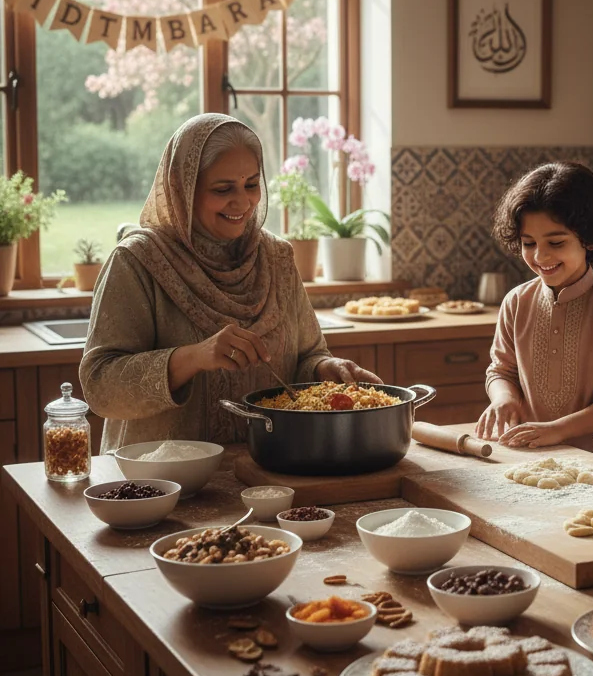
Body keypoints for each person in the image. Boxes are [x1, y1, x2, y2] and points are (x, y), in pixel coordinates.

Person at [82, 113, 380, 451]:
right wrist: (193, 357)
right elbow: (100, 387)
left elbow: (307, 356)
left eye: (251, 184)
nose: (242, 202)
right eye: (223, 189)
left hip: (272, 472)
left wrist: (327, 369)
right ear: (182, 189)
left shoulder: (276, 258)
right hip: (161, 486)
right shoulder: (138, 261)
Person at [475, 162, 593, 450]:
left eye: (556, 243)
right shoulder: (516, 303)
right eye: (528, 243)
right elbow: (501, 372)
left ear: (590, 239)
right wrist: (503, 398)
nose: (540, 255)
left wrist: (557, 430)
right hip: (529, 457)